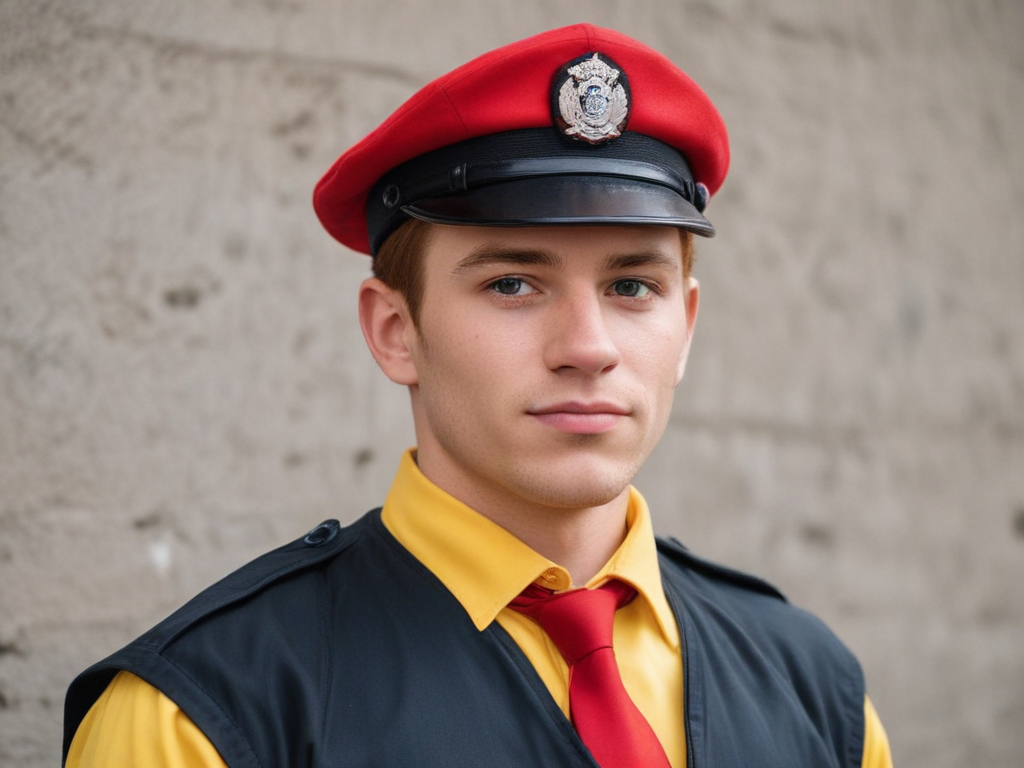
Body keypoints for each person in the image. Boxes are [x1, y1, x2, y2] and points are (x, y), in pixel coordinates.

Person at [63, 23, 892, 768]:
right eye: (511, 283)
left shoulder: (819, 692)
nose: (589, 347)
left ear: (689, 325)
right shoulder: (203, 719)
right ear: (395, 331)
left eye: (634, 286)